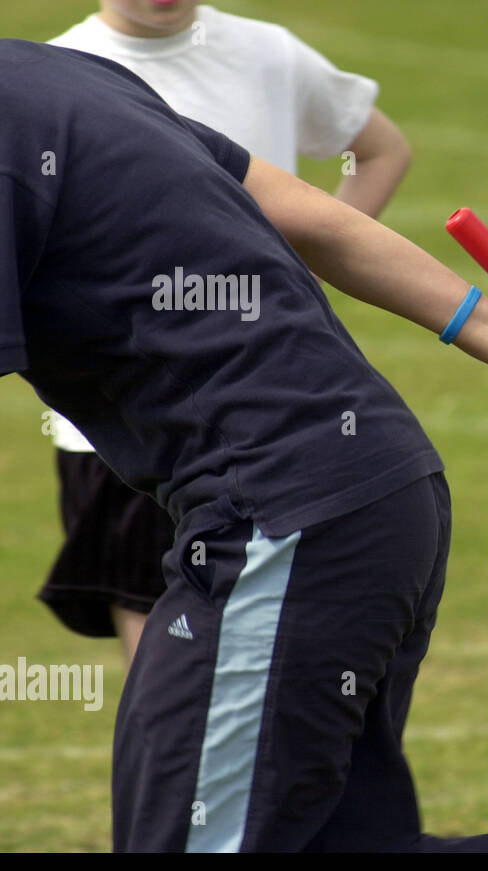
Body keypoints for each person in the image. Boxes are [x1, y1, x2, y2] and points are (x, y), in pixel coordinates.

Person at [2, 38, 488, 852]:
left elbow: (313, 219)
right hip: (372, 493)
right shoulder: (62, 76)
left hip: (283, 519)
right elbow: (315, 214)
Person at [38, 0, 411, 672]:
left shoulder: (267, 51)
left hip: (267, 410)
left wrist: (301, 272)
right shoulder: (58, 74)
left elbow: (380, 149)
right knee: (165, 661)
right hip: (122, 435)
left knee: (278, 652)